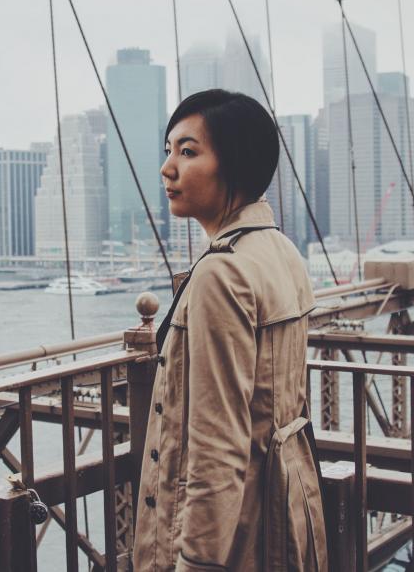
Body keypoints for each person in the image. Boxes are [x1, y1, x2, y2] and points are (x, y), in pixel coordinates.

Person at [133, 89, 328, 571]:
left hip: (231, 542)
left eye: (189, 151)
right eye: (168, 150)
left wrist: (197, 562)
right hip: (284, 512)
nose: (168, 168)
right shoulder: (281, 252)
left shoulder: (222, 273)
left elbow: (217, 443)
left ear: (234, 164)